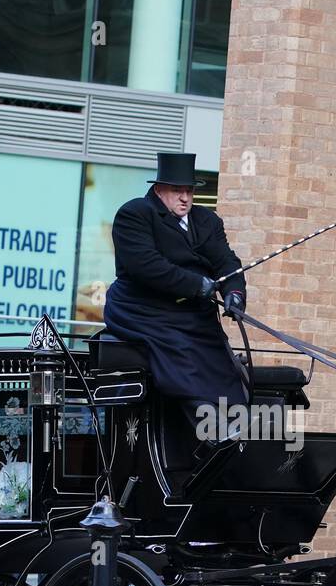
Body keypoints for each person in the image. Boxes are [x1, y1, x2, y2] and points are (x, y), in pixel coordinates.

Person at [103, 151, 248, 455]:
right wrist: (198, 284)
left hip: (192, 312)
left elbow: (227, 262)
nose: (185, 198)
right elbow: (149, 266)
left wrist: (234, 294)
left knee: (224, 362)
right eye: (177, 191)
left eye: (189, 191)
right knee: (181, 353)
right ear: (159, 190)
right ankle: (209, 432)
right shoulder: (135, 215)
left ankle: (239, 425)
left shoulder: (206, 220)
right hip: (143, 309)